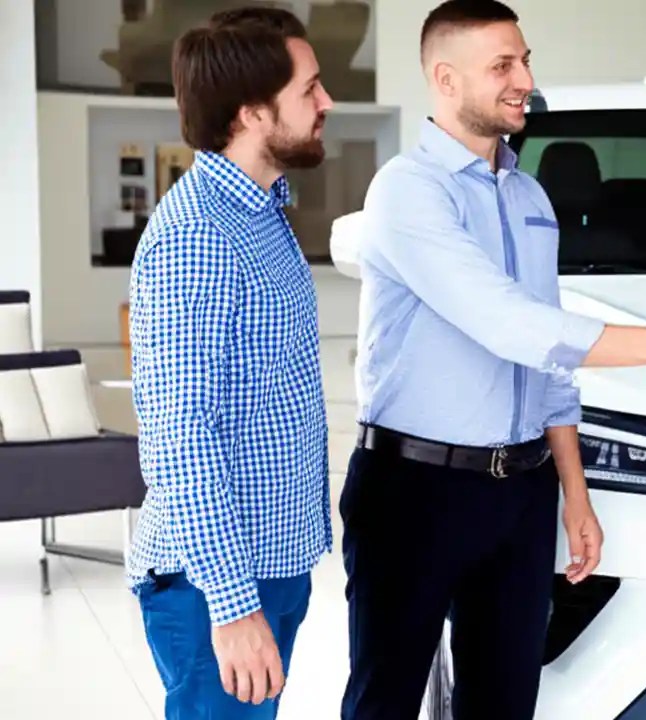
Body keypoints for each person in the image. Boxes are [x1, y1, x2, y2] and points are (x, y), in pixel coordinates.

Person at [338, 1, 646, 718]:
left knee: (504, 703)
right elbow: (511, 325)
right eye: (503, 65)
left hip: (520, 494)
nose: (524, 79)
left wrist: (575, 492)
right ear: (445, 77)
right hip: (414, 490)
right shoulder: (408, 191)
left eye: (525, 60)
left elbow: (546, 367)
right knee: (386, 702)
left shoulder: (530, 196)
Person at [125, 7, 334, 717]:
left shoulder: (263, 211)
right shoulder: (197, 237)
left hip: (272, 563)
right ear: (251, 112)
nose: (326, 103)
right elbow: (180, 437)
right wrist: (233, 604)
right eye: (310, 89)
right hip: (215, 584)